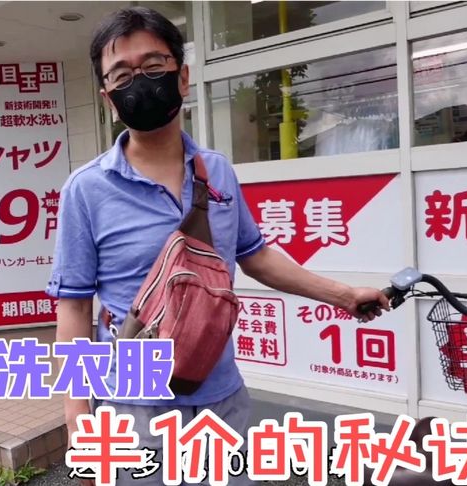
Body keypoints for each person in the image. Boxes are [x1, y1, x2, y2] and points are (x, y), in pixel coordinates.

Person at [45, 7, 390, 485]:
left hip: (222, 400)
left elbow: (256, 256)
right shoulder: (85, 190)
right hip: (134, 410)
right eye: (121, 75)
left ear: (182, 77)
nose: (139, 83)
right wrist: (77, 420)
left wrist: (343, 295)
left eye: (153, 66)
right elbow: (74, 309)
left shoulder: (217, 171)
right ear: (109, 99)